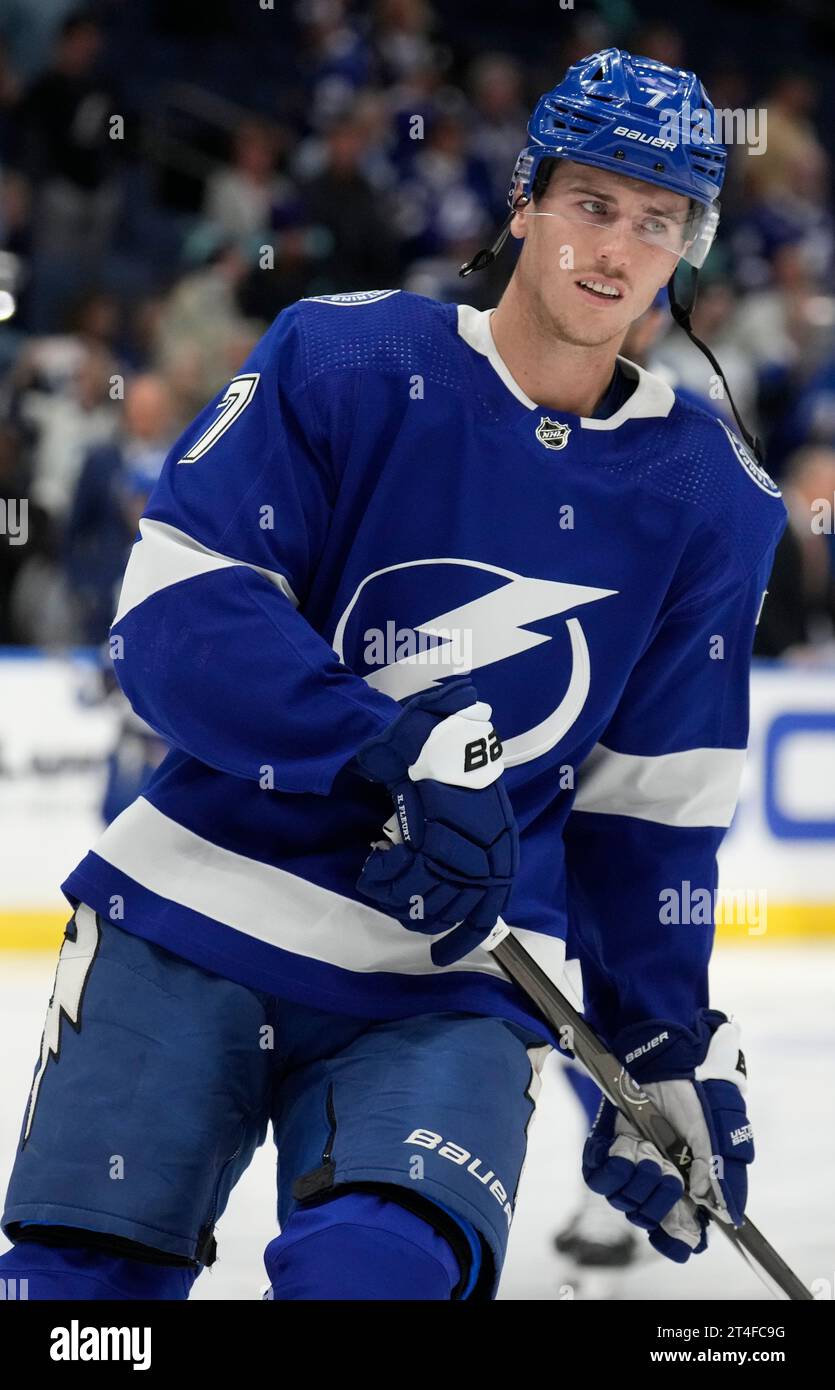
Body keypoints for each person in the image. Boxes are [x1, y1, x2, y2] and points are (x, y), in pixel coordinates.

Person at [0, 47, 786, 1301]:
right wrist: (381, 741)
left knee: (376, 1281)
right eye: (592, 202)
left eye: (659, 219)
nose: (618, 246)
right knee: (80, 1303)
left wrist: (661, 1043)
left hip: (450, 983)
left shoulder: (712, 497)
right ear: (523, 200)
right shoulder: (344, 358)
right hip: (195, 917)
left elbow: (649, 812)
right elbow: (174, 619)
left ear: (687, 247)